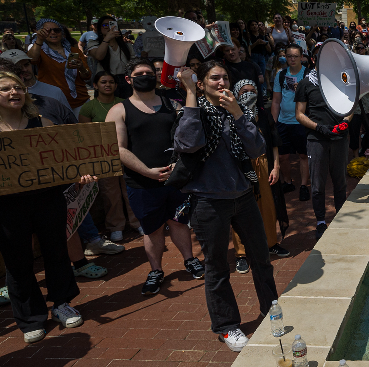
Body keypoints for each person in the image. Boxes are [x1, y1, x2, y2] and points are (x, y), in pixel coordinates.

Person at [175, 61, 275, 352]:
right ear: (202, 83)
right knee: (217, 268)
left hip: (242, 197)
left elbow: (257, 148)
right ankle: (227, 326)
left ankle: (272, 309)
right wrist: (190, 95)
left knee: (261, 257)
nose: (221, 83)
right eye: (214, 78)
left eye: (225, 78)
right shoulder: (190, 113)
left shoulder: (235, 111)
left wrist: (238, 114)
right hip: (208, 202)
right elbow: (189, 143)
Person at [0, 71, 95, 343]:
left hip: (47, 200)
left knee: (56, 252)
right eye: (5, 88)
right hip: (7, 207)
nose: (14, 92)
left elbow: (65, 162)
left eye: (18, 87)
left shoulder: (42, 123)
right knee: (18, 262)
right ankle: (30, 317)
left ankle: (62, 303)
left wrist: (79, 174)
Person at [106, 58, 205, 295]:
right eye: (139, 73)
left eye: (149, 72)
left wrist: (189, 86)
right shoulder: (118, 110)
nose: (145, 76)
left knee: (179, 221)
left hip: (175, 179)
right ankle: (156, 270)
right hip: (141, 183)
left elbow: (191, 127)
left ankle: (190, 259)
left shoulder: (172, 104)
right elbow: (118, 149)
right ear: (129, 79)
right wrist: (147, 171)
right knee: (152, 228)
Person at [230, 80, 290, 274]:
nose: (248, 94)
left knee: (268, 206)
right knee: (241, 209)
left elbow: (273, 140)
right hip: (241, 167)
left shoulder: (263, 114)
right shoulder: (231, 115)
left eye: (252, 90)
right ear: (236, 94)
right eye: (244, 91)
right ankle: (241, 253)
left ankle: (271, 242)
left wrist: (276, 166)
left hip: (264, 165)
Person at [295, 47, 352, 237]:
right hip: (316, 139)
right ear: (314, 59)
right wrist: (318, 127)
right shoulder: (305, 84)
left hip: (339, 138)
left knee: (340, 182)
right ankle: (320, 221)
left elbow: (352, 105)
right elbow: (299, 114)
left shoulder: (343, 80)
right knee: (318, 185)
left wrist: (345, 123)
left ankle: (341, 218)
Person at [79, 72, 141, 241]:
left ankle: (137, 222)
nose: (108, 85)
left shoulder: (124, 104)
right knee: (110, 193)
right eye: (103, 82)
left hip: (127, 153)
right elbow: (85, 135)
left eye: (111, 82)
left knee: (130, 189)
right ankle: (116, 226)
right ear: (95, 85)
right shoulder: (88, 108)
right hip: (103, 157)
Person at [25, 19, 90, 114]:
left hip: (80, 100)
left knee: (85, 129)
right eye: (47, 30)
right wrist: (39, 39)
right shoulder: (40, 51)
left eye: (57, 30)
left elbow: (87, 76)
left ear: (62, 33)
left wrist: (81, 68)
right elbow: (32, 59)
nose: (53, 32)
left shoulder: (74, 51)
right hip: (54, 101)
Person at [271, 44, 310, 198]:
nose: (292, 59)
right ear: (285, 57)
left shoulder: (308, 75)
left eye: (295, 56)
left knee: (303, 155)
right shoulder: (280, 75)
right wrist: (273, 124)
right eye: (289, 56)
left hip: (302, 122)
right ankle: (287, 182)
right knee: (283, 156)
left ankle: (303, 185)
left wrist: (302, 88)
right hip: (283, 122)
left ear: (301, 57)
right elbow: (275, 101)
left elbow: (314, 99)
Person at [86, 16, 135, 98]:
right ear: (99, 28)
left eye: (112, 24)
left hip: (125, 81)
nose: (109, 27)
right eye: (105, 25)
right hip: (105, 82)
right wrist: (107, 38)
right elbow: (99, 56)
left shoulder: (126, 46)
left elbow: (133, 64)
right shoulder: (93, 43)